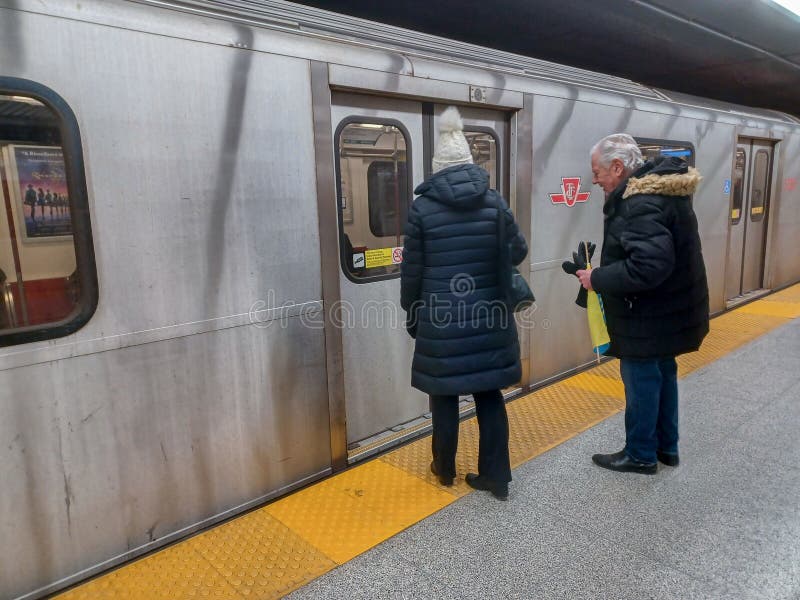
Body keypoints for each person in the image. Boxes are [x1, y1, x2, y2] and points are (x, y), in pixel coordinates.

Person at [400, 107, 528, 500]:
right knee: (490, 395)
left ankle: (444, 469)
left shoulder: (422, 209)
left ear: (437, 168)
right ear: (471, 164)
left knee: (444, 395)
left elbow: (413, 273)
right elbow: (518, 251)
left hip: (441, 319)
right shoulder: (495, 203)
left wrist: (412, 313)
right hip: (490, 315)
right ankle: (497, 476)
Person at [576, 133, 709, 474]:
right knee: (663, 374)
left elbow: (648, 267)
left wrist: (598, 279)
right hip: (666, 311)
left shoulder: (639, 203)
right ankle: (666, 448)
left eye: (598, 171)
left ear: (617, 167)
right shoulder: (660, 192)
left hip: (647, 315)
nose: (594, 179)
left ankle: (640, 454)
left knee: (642, 380)